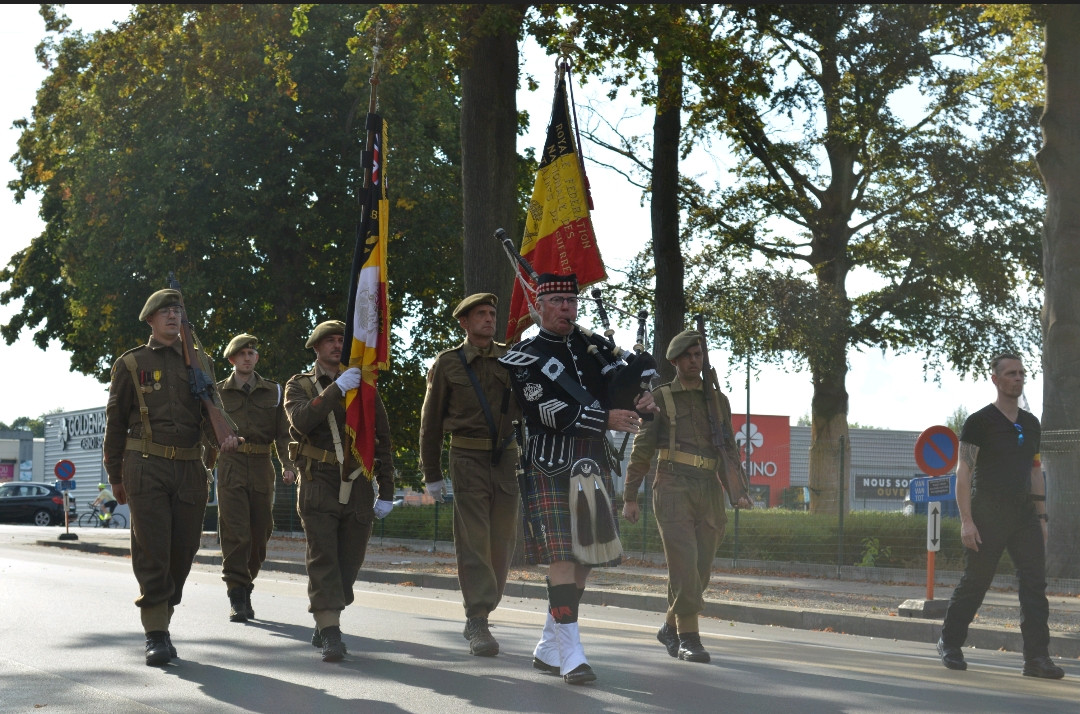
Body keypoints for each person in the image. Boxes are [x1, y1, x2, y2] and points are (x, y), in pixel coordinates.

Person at [499, 273, 657, 685]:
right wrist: (604, 419)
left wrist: (643, 401)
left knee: (588, 557)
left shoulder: (596, 349)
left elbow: (618, 394)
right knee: (564, 557)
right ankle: (571, 652)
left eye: (571, 300)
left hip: (592, 463)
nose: (566, 307)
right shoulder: (525, 356)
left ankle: (549, 644)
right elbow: (544, 411)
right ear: (539, 307)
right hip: (551, 464)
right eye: (557, 301)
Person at [103, 288, 241, 666]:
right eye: (164, 311)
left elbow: (212, 411)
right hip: (145, 466)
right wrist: (115, 475)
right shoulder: (132, 363)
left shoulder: (199, 361)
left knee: (183, 551)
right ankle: (156, 632)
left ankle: (164, 609)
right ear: (150, 319)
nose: (172, 316)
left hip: (190, 468)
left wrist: (224, 438)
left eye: (177, 310)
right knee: (153, 549)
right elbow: (115, 424)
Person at [622, 329, 753, 664]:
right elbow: (642, 450)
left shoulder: (718, 401)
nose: (694, 361)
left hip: (708, 488)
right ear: (675, 362)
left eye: (699, 355)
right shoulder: (661, 397)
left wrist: (738, 490)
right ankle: (689, 638)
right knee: (683, 564)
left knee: (701, 569)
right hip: (672, 485)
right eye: (687, 357)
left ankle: (669, 626)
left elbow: (728, 449)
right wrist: (630, 496)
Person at [937, 353, 1064, 679]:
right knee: (976, 581)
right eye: (1010, 373)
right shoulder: (979, 422)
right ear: (995, 379)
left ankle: (1036, 659)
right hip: (987, 514)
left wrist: (1042, 518)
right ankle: (950, 642)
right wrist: (967, 521)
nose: (1018, 378)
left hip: (1024, 516)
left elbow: (1035, 472)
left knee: (1034, 585)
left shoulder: (1031, 423)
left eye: (1021, 373)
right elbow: (963, 473)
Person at [284, 320, 396, 662]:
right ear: (316, 347)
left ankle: (327, 614)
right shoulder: (299, 384)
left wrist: (386, 489)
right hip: (318, 480)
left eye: (341, 340)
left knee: (349, 562)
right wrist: (335, 389)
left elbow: (382, 439)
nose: (336, 345)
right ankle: (330, 629)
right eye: (329, 340)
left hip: (358, 483)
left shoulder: (364, 386)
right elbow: (301, 420)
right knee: (323, 559)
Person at [419, 293, 521, 657]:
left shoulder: (512, 358)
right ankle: (477, 618)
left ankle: (484, 609)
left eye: (492, 313)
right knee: (474, 539)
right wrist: (432, 473)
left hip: (507, 459)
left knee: (503, 541)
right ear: (464, 322)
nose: (489, 319)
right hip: (467, 458)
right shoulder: (448, 363)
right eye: (481, 314)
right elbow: (431, 423)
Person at [215, 333, 296, 623]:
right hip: (231, 464)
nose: (247, 358)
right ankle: (237, 594)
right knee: (235, 533)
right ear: (232, 359)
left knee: (260, 534)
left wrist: (289, 464)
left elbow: (284, 434)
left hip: (262, 465)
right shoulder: (218, 392)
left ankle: (246, 582)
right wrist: (209, 459)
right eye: (242, 354)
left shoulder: (274, 391)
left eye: (251, 353)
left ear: (257, 358)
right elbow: (206, 431)